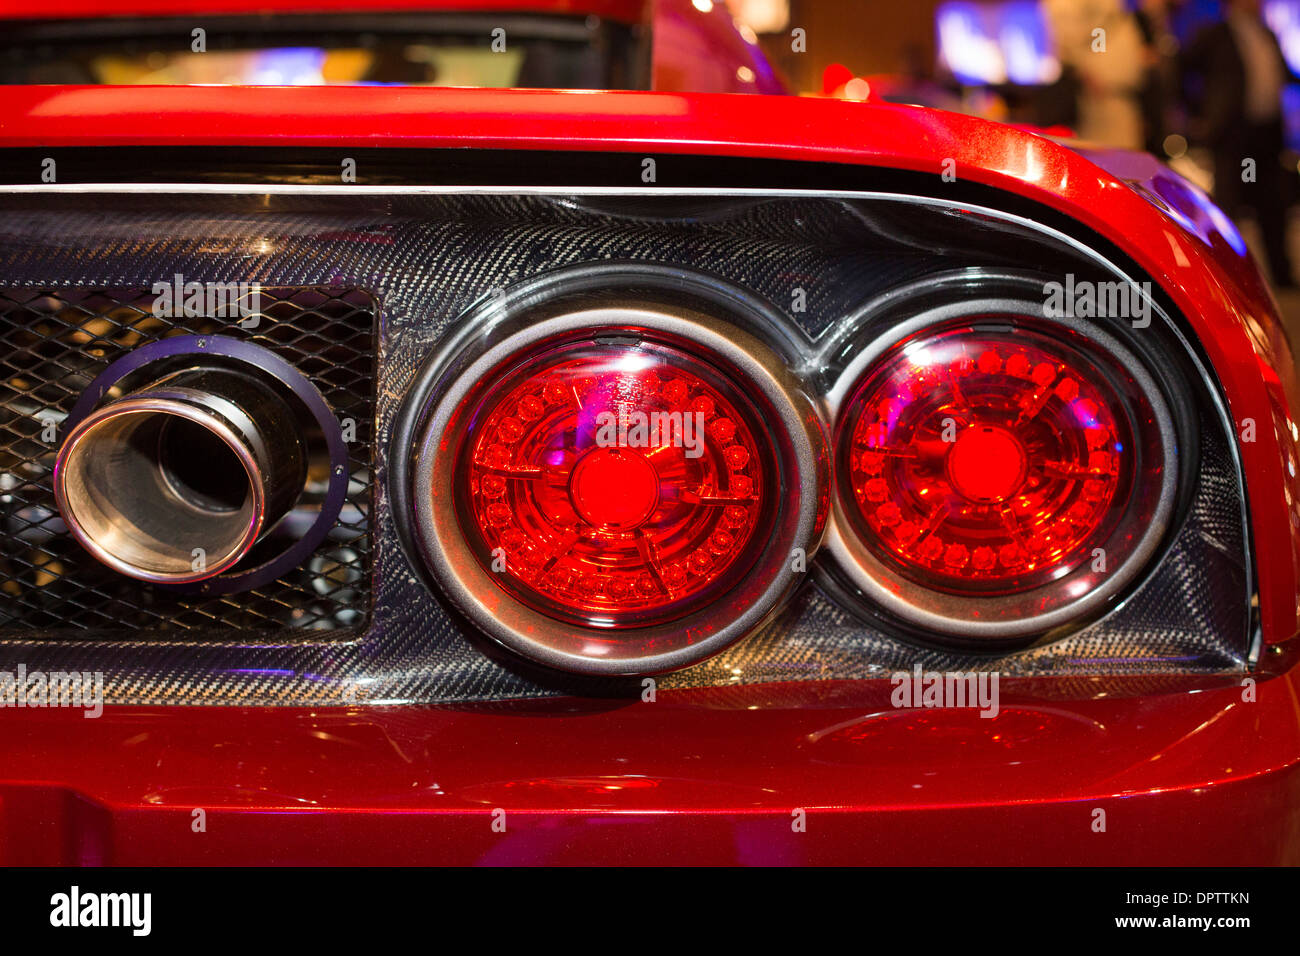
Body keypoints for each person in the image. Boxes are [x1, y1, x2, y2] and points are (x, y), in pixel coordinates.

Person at [1183, 0, 1296, 287]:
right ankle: (1227, 279)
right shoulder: (1215, 33)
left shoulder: (1267, 32)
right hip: (1233, 134)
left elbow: (1281, 73)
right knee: (1228, 210)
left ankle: (1281, 277)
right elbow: (1182, 70)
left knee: (1273, 206)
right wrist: (1198, 115)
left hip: (1268, 133)